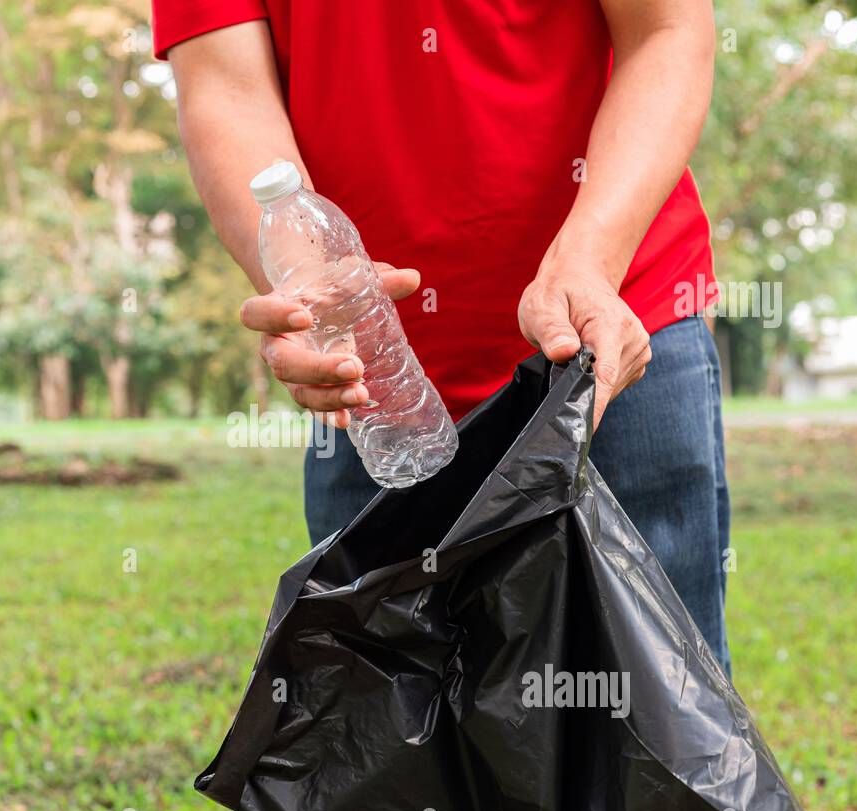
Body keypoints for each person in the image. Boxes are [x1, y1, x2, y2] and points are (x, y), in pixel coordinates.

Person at [155, 0, 731, 676]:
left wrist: (591, 261)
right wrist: (315, 297)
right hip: (375, 395)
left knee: (660, 713)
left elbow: (666, 29)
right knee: (398, 742)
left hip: (615, 336)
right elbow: (226, 89)